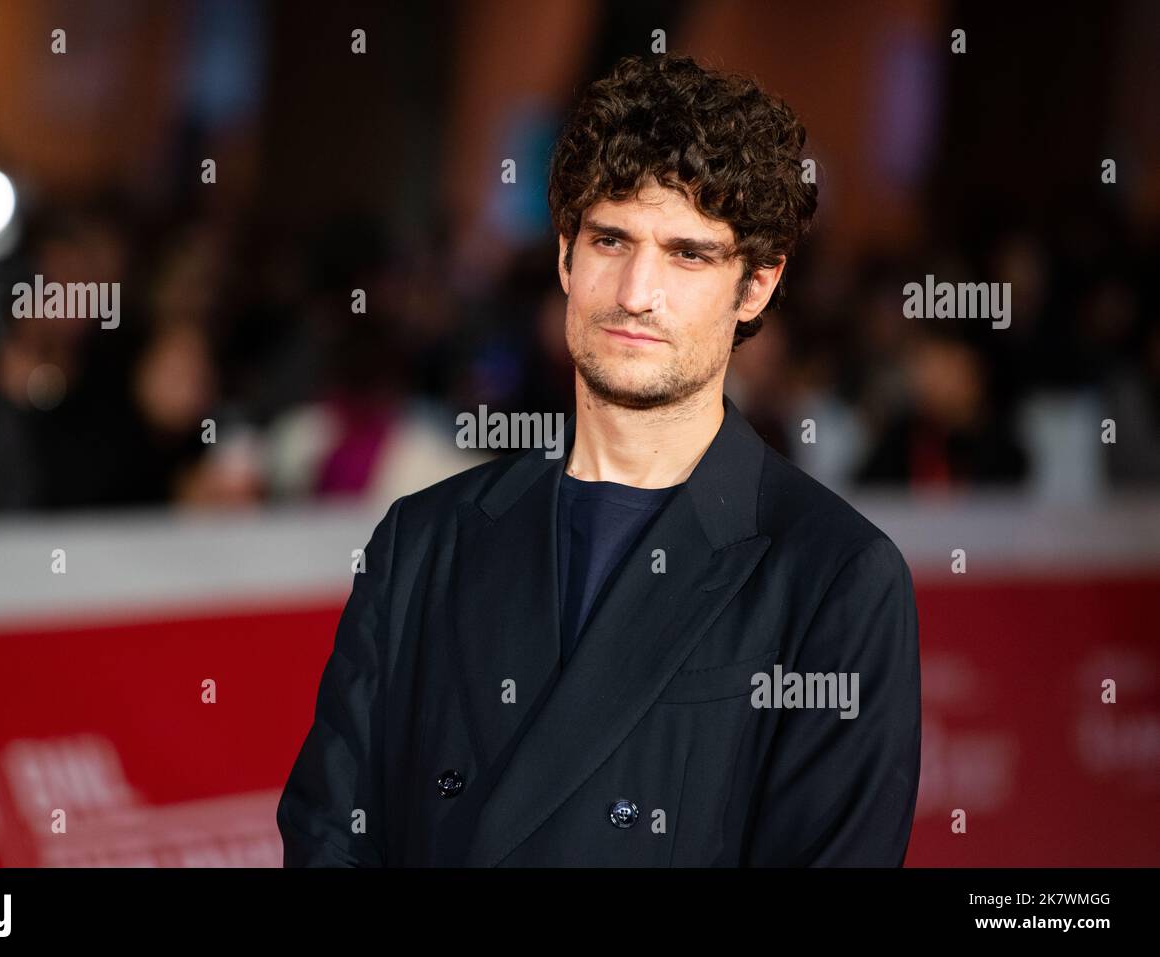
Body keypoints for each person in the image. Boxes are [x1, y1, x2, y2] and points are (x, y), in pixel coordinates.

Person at [278, 53, 920, 866]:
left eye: (688, 254)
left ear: (754, 287)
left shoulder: (835, 577)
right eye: (611, 239)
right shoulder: (422, 542)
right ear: (564, 257)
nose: (635, 292)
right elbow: (329, 832)